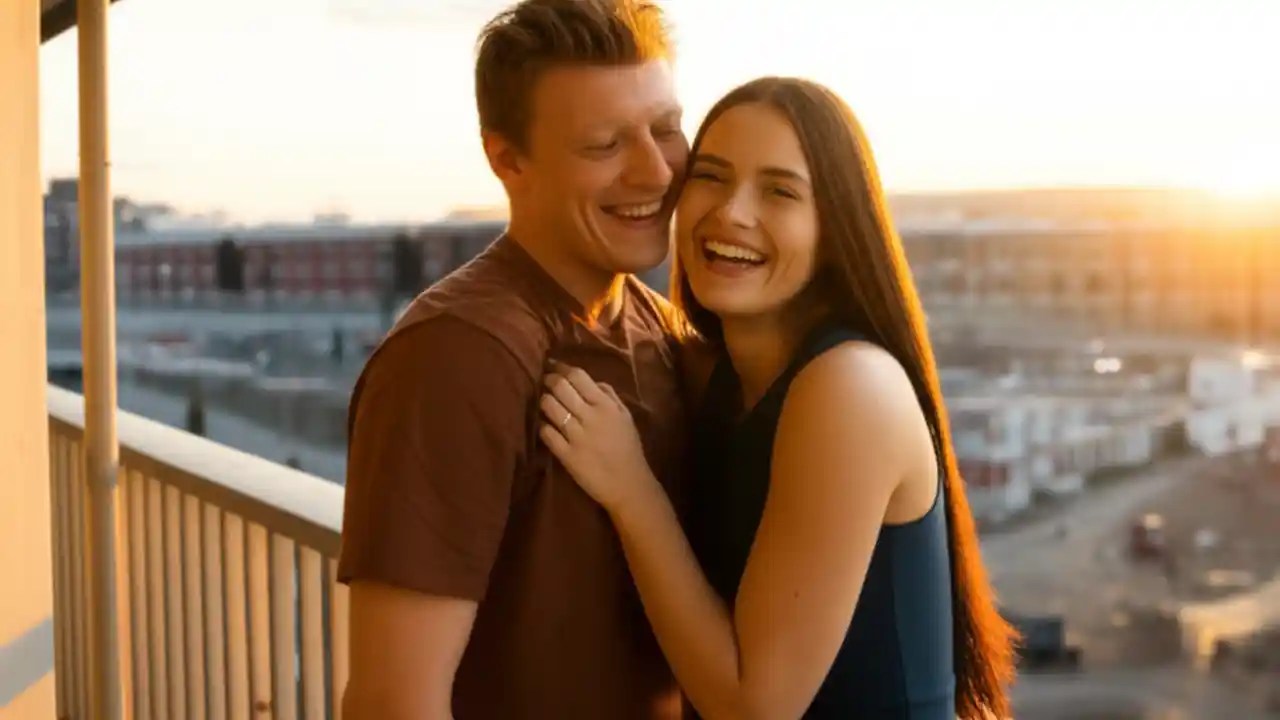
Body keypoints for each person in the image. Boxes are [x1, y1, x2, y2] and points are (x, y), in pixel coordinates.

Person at [540, 77, 1019, 719]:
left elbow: (754, 708)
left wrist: (631, 490)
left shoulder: (850, 387)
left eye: (780, 191)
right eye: (710, 176)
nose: (733, 212)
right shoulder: (719, 374)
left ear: (834, 226)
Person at [335, 1, 691, 718]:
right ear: (507, 159)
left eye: (666, 129)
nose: (655, 171)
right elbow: (393, 700)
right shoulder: (458, 355)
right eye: (604, 145)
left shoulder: (663, 329)